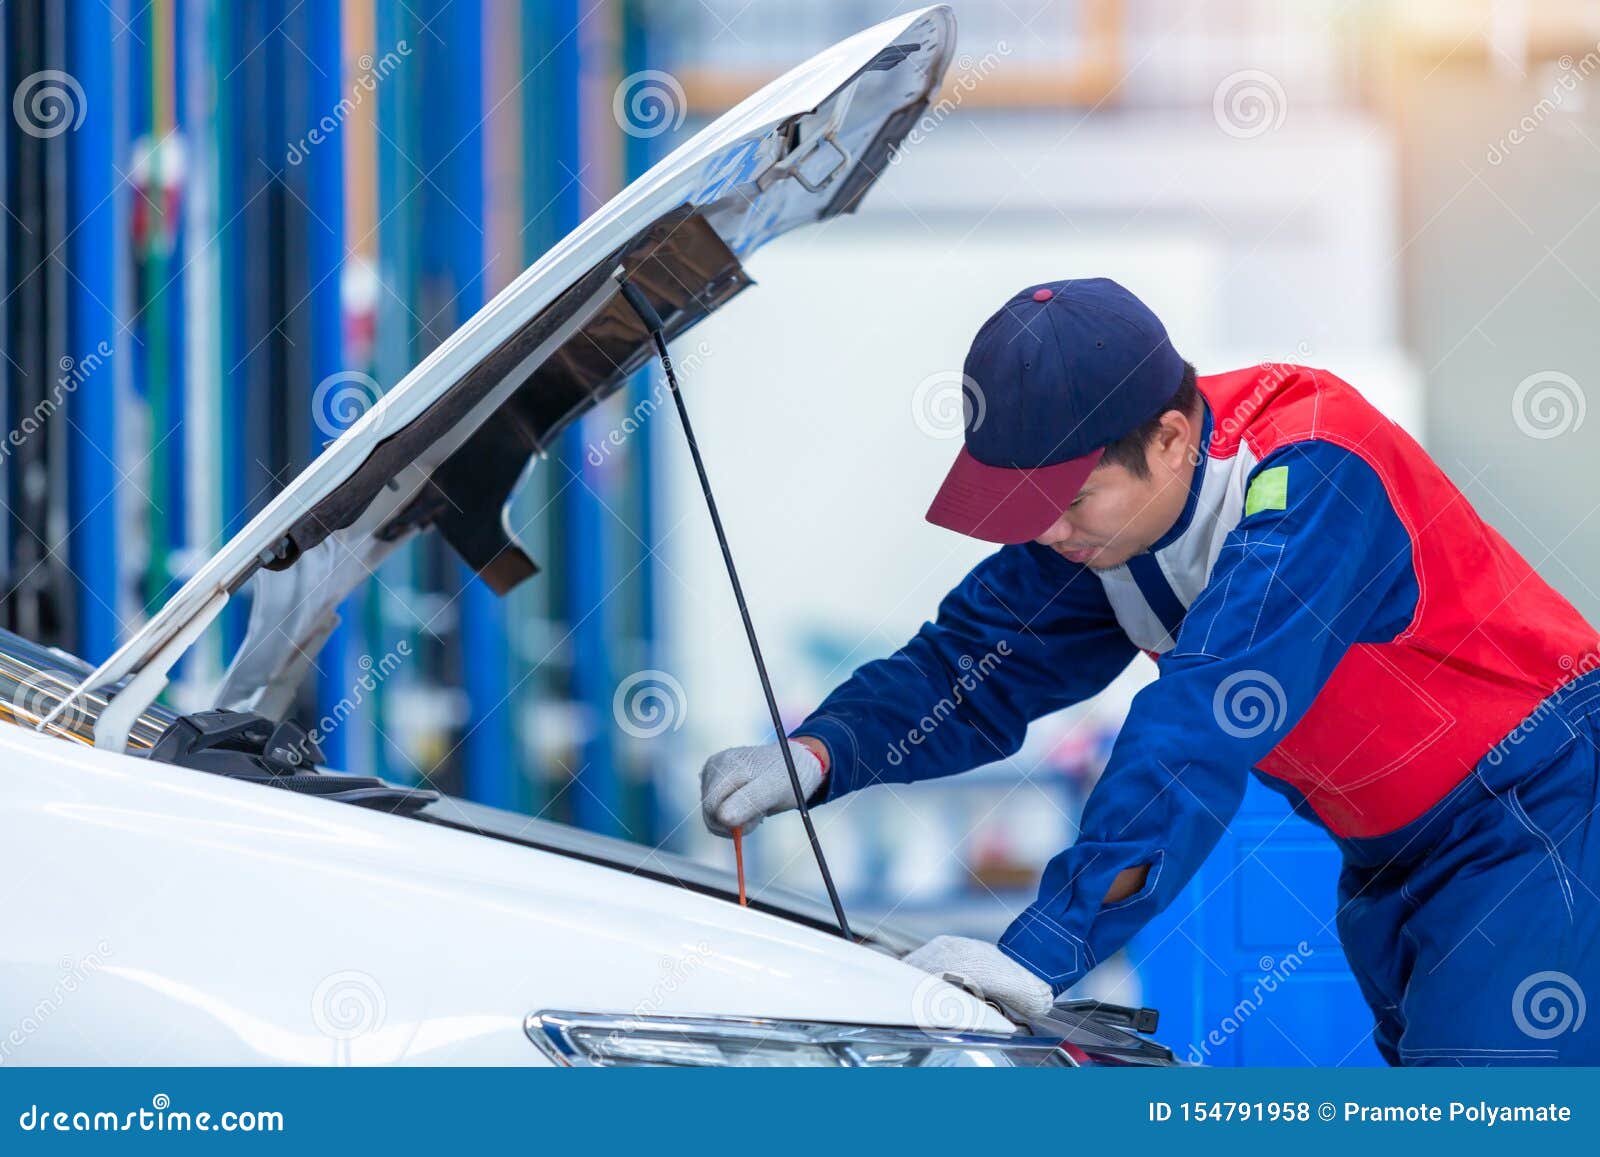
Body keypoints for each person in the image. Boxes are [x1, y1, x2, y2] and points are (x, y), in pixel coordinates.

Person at [699, 278, 1600, 1065]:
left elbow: (1206, 714)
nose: (1049, 534)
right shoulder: (1108, 526)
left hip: (1538, 804)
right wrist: (819, 751)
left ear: (1171, 438)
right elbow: (971, 662)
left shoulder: (1315, 474)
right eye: (1029, 509)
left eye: (1070, 501)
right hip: (1393, 847)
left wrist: (1047, 946)